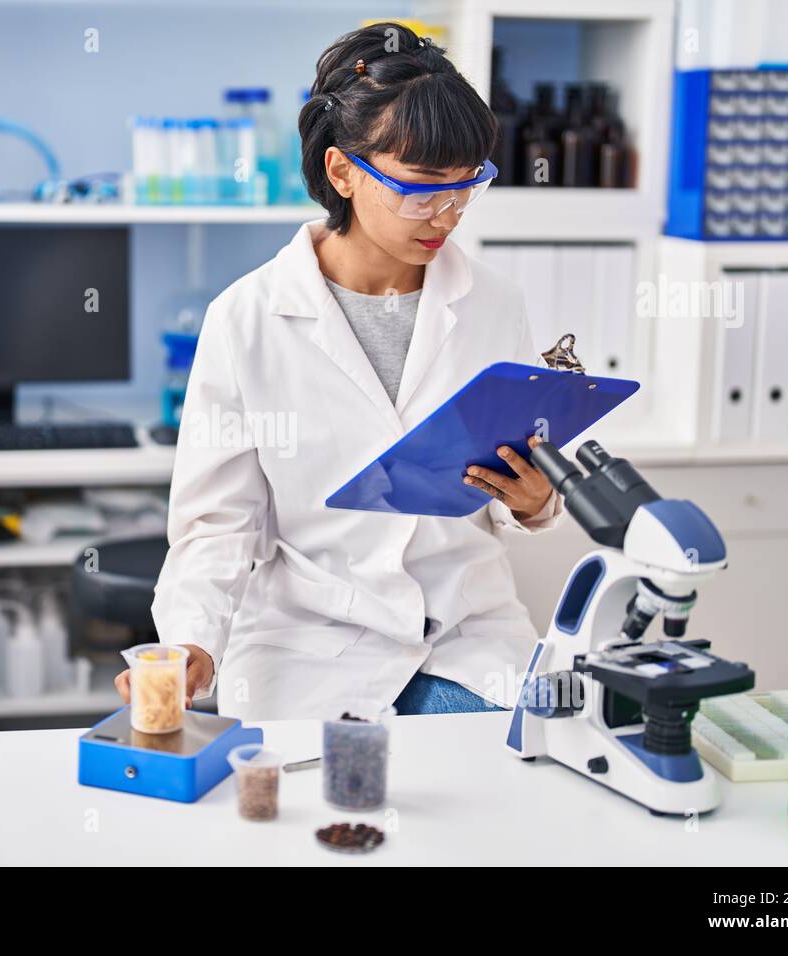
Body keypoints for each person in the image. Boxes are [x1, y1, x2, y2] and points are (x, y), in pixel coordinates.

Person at [116, 22, 563, 719]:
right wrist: (193, 639)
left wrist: (534, 502)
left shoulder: (494, 304)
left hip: (468, 638)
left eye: (466, 184)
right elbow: (218, 524)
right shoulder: (247, 318)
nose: (447, 212)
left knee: (513, 795)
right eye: (420, 187)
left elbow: (512, 476)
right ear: (343, 171)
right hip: (311, 645)